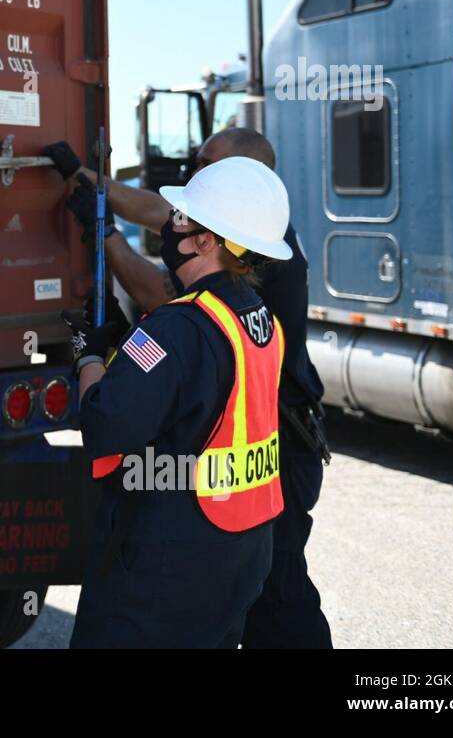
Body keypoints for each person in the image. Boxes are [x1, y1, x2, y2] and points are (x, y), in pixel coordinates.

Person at [47, 127, 333, 648]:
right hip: (240, 537)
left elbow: (107, 423)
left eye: (181, 217)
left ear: (205, 238)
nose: (170, 220)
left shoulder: (177, 324)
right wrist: (85, 179)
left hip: (175, 550)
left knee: (286, 605)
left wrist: (90, 353)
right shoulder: (252, 295)